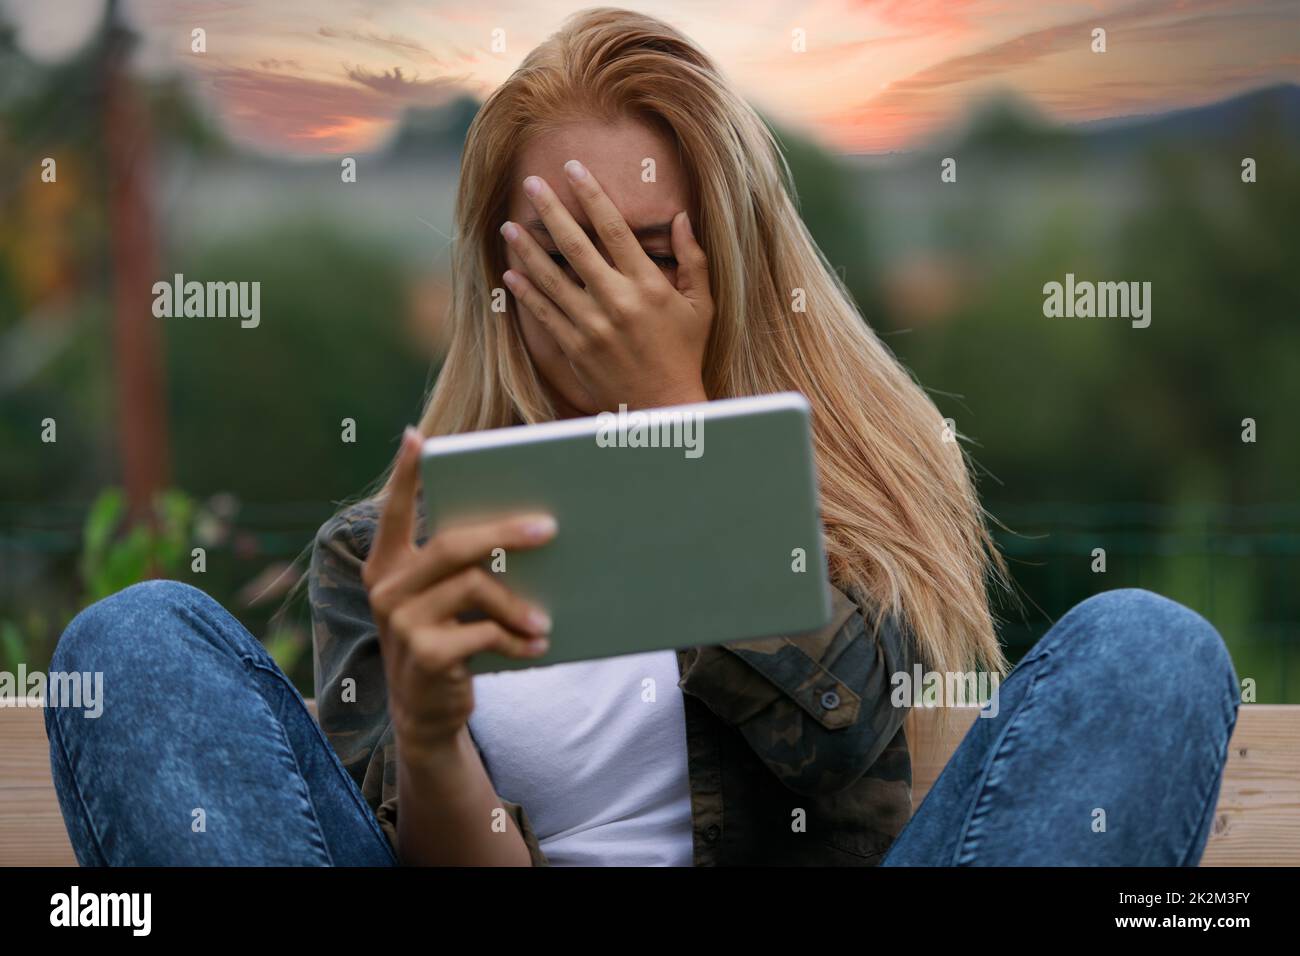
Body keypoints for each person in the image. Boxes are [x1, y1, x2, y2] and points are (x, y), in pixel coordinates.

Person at [45, 8, 1238, 866]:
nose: (608, 298)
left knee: (1150, 647)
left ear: (730, 257)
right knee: (137, 638)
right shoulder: (391, 554)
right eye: (567, 254)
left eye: (650, 252)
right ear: (500, 275)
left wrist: (676, 423)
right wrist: (429, 731)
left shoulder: (839, 498)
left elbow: (850, 771)